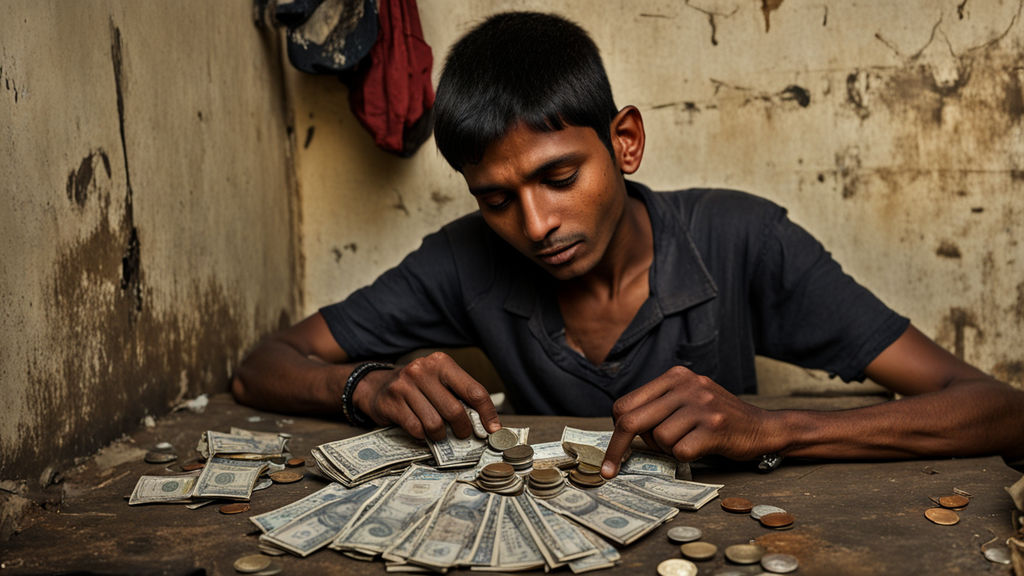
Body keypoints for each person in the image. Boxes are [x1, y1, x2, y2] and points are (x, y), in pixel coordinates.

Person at [232, 11, 1024, 477]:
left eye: (561, 176)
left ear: (626, 141)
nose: (536, 225)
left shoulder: (742, 239)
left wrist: (776, 427)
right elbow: (264, 366)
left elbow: (998, 411)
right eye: (499, 199)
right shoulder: (465, 257)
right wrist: (367, 389)